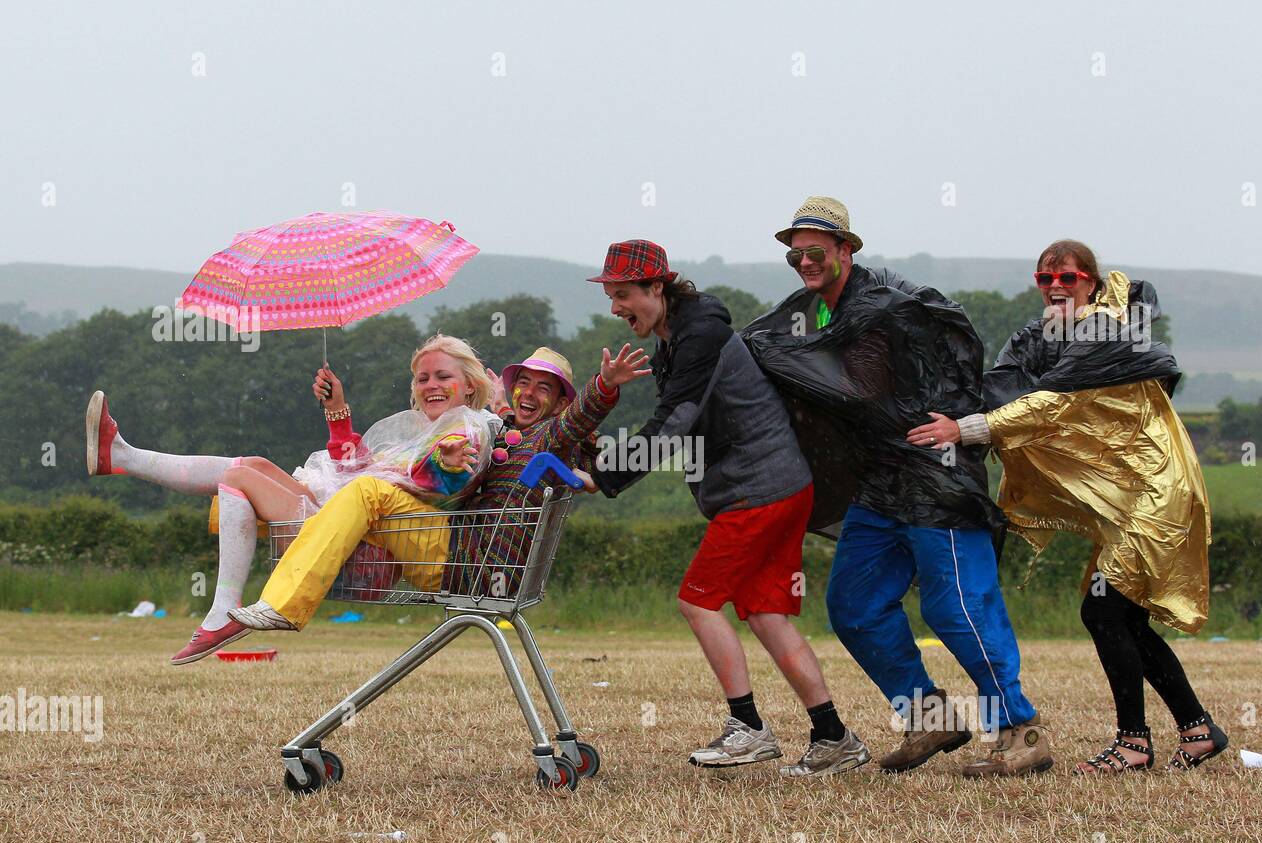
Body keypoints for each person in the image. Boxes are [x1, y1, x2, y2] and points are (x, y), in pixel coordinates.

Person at [742, 196, 1052, 777]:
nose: (804, 262)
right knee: (853, 605)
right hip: (881, 482)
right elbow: (769, 354)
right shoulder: (810, 314)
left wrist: (958, 421)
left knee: (957, 607)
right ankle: (929, 717)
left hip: (936, 474)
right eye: (794, 254)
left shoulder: (887, 305)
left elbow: (867, 386)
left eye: (815, 251)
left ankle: (1021, 729)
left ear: (845, 250)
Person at [906, 239, 1226, 773]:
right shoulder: (1047, 337)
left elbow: (1049, 405)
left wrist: (960, 430)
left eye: (1069, 279)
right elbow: (1005, 387)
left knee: (1102, 610)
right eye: (1045, 279)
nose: (1056, 288)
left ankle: (1133, 744)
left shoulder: (1107, 336)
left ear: (1092, 283)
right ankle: (1197, 730)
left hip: (1156, 490)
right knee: (1126, 618)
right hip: (1128, 496)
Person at [588, 239, 871, 779]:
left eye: (624, 294)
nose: (616, 308)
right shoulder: (678, 337)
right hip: (783, 486)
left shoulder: (701, 336)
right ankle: (834, 737)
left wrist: (605, 477)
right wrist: (607, 451)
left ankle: (749, 729)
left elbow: (674, 423)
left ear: (657, 287)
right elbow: (678, 424)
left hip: (758, 490)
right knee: (766, 615)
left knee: (698, 602)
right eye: (611, 296)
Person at [84, 333, 496, 664]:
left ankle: (224, 610)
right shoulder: (415, 429)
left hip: (373, 554)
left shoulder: (468, 427)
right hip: (357, 533)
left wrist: (445, 463)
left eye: (443, 377)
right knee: (253, 467)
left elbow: (437, 483)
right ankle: (122, 457)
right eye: (423, 379)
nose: (431, 386)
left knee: (239, 478)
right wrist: (337, 408)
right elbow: (355, 466)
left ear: (470, 385)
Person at [228, 342, 650, 631]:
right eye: (524, 383)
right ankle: (236, 565)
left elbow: (580, 418)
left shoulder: (551, 435)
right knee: (274, 479)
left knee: (366, 491)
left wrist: (605, 385)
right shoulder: (501, 429)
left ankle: (282, 603)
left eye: (545, 388)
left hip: (469, 564)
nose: (529, 393)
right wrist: (338, 411)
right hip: (461, 556)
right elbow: (489, 421)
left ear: (560, 404)